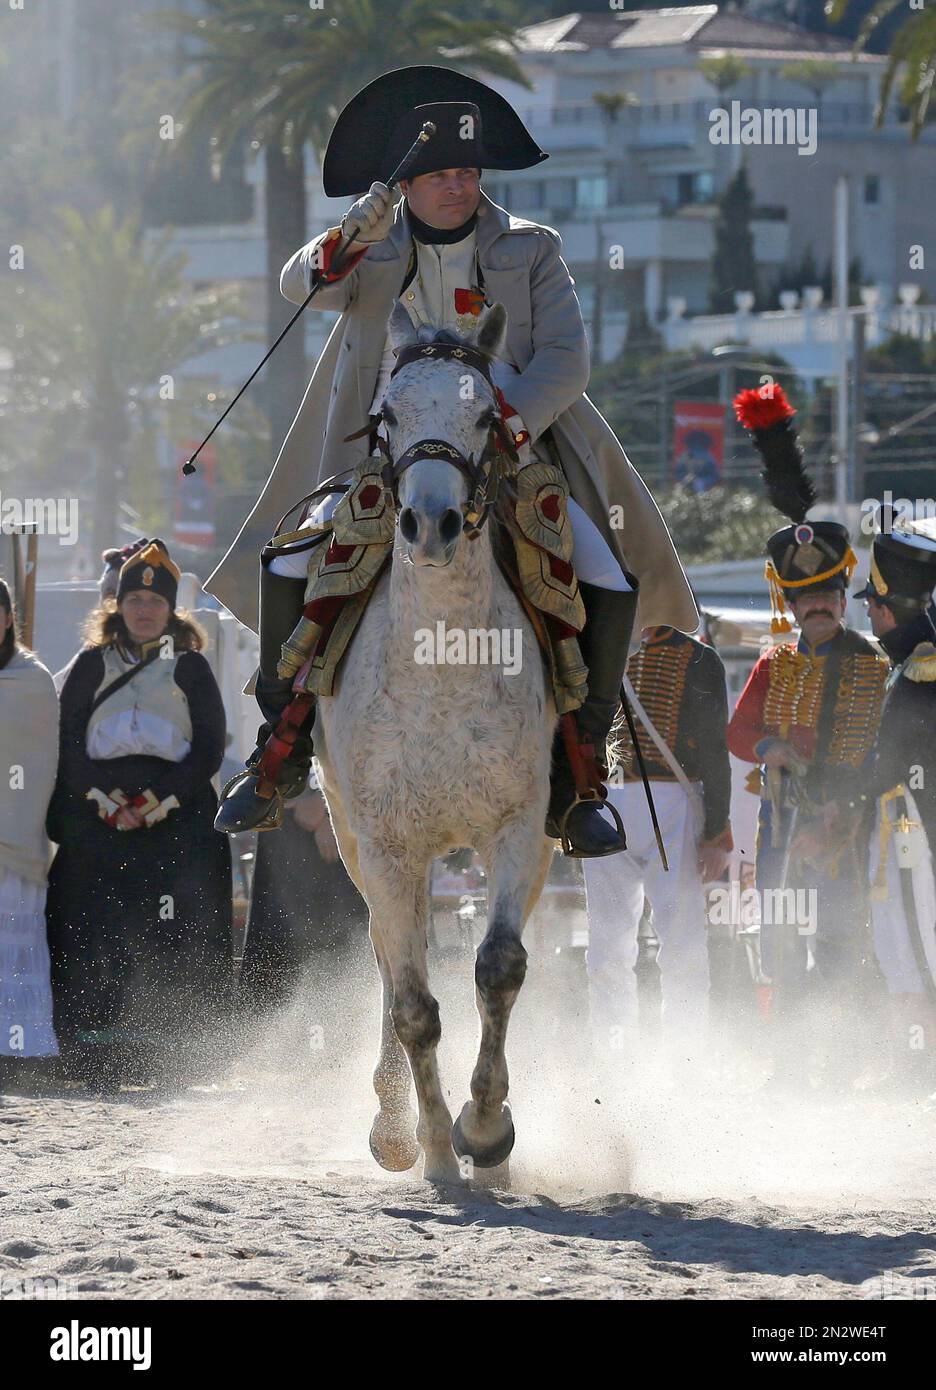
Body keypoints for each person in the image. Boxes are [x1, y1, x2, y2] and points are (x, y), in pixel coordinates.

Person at [207, 65, 697, 856]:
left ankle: (580, 783)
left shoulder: (532, 249)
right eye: (441, 175)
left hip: (508, 453)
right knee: (290, 559)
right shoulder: (370, 246)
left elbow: (567, 363)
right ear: (409, 184)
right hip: (379, 455)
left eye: (469, 172)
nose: (459, 187)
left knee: (608, 575)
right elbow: (302, 283)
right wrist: (344, 238)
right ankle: (278, 754)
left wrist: (506, 422)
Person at [727, 387, 889, 1085]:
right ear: (789, 604)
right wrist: (772, 749)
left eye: (826, 595)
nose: (816, 606)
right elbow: (738, 731)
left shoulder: (870, 665)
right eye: (804, 598)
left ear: (842, 596)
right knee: (780, 943)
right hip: (780, 826)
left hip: (846, 825)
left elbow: (880, 752)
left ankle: (844, 1058)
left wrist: (839, 811)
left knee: (844, 942)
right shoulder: (775, 661)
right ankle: (790, 1065)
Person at [45, 542, 233, 1089]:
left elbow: (208, 748)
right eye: (135, 598)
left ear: (170, 608)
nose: (144, 609)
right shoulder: (88, 664)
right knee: (88, 923)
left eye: (154, 599)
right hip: (99, 812)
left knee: (172, 928)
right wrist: (105, 802)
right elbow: (67, 740)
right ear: (118, 605)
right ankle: (87, 1048)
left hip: (172, 814)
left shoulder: (191, 666)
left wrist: (157, 803)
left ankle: (171, 1053)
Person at [584, 624, 733, 1070]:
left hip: (666, 801)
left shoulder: (696, 658)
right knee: (610, 944)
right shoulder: (600, 647)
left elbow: (713, 748)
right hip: (610, 797)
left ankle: (683, 1059)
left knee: (678, 939)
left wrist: (715, 830)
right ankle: (614, 1057)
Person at [860, 508, 936, 1091]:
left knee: (917, 944)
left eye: (872, 603)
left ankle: (920, 1067)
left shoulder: (923, 670)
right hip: (904, 829)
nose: (867, 611)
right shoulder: (910, 665)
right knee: (903, 944)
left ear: (888, 609)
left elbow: (894, 758)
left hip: (917, 830)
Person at [239, 766, 368, 1010]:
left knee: (346, 946)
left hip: (351, 830)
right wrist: (294, 800)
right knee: (280, 949)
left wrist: (331, 812)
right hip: (286, 837)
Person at [0, 578, 60, 1081]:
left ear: (7, 618)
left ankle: (20, 1053)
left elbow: (35, 759)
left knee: (14, 939)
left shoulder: (30, 679)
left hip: (14, 836)